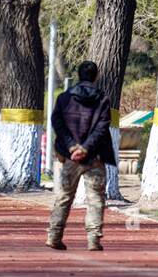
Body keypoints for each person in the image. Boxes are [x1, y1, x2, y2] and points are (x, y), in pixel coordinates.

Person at [46, 61, 116, 251]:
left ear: (78, 75)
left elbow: (56, 122)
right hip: (95, 157)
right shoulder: (103, 99)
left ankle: (54, 235)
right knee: (96, 199)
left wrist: (71, 146)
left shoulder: (64, 98)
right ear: (96, 76)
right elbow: (102, 127)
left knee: (64, 197)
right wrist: (85, 148)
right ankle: (93, 239)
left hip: (70, 158)